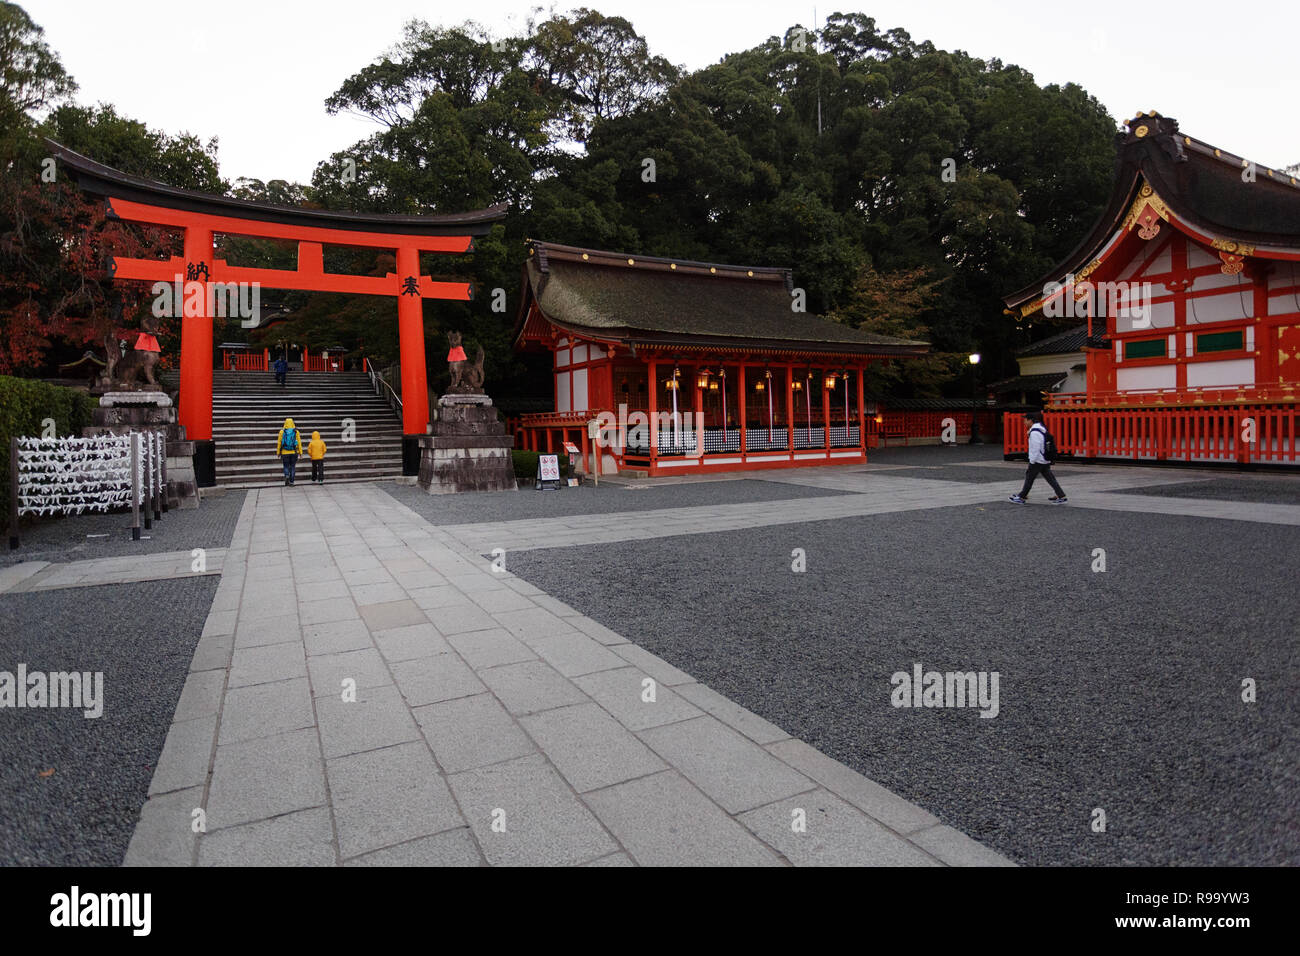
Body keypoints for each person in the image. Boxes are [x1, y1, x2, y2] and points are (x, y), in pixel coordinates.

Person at [1010, 411, 1067, 504]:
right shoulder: (1041, 429)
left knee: (1030, 477)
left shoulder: (1035, 432)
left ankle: (1022, 496)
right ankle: (1061, 495)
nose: (1024, 422)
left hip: (1038, 459)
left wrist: (1032, 460)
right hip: (1044, 458)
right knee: (1050, 478)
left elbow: (1036, 447)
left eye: (1025, 420)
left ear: (1030, 420)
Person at [276, 418, 302, 486]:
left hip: (284, 452)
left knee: (286, 466)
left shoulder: (282, 432)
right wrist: (300, 452)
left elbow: (279, 443)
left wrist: (278, 452)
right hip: (293, 452)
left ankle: (287, 475)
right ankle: (292, 482)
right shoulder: (296, 431)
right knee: (292, 467)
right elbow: (299, 442)